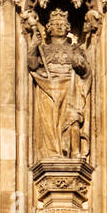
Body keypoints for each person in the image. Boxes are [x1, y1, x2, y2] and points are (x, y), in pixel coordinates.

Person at [28, 8, 90, 160]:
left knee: (72, 118)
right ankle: (52, 153)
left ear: (68, 27)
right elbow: (33, 65)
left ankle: (74, 153)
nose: (60, 26)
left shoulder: (75, 48)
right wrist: (32, 47)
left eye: (63, 24)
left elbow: (86, 71)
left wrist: (80, 65)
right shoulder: (44, 49)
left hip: (70, 87)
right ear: (49, 28)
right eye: (55, 24)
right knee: (50, 123)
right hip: (47, 87)